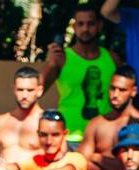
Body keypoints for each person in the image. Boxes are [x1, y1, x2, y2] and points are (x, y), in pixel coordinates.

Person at [40, 5, 121, 147]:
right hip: (69, 137)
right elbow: (38, 91)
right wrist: (51, 64)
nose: (85, 29)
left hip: (104, 137)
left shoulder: (112, 59)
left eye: (90, 24)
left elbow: (125, 95)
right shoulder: (62, 58)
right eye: (80, 24)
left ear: (99, 25)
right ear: (74, 26)